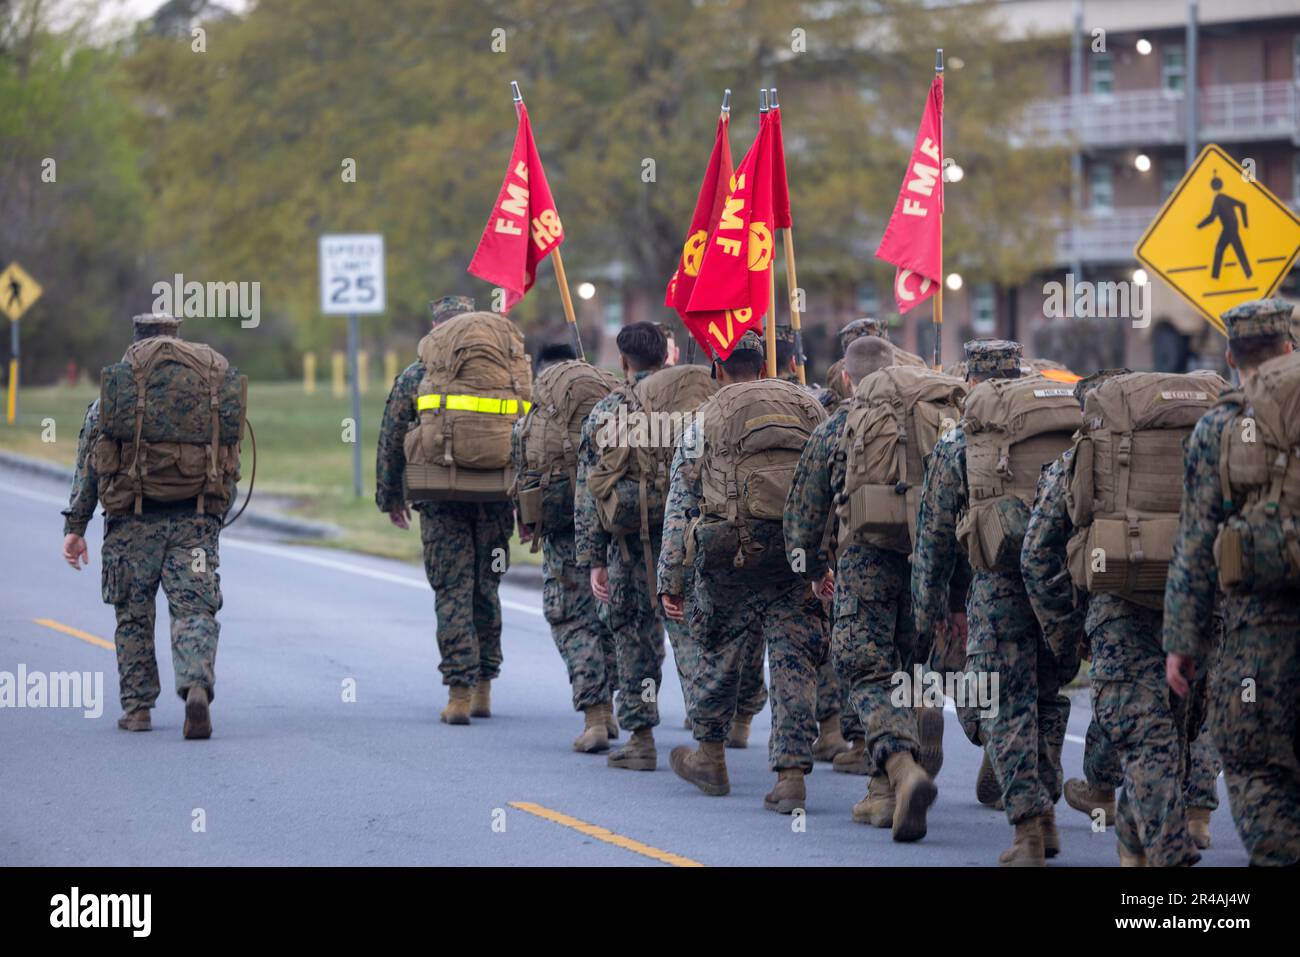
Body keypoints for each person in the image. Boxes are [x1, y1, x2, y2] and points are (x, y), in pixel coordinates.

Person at [1022, 368, 1211, 867]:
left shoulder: (1079, 462)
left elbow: (1037, 557)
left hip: (1119, 611)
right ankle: (1137, 853)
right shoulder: (1210, 449)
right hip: (1198, 611)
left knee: (1144, 739)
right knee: (1168, 734)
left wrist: (1067, 634)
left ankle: (1166, 845)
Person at [912, 339, 1075, 866]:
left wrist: (927, 607)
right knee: (1049, 698)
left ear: (971, 382)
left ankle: (1028, 830)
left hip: (998, 587)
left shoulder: (963, 438)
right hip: (1062, 585)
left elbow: (935, 535)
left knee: (1005, 706)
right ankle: (1047, 813)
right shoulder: (1066, 430)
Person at [659, 331, 828, 813]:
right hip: (796, 556)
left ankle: (710, 758)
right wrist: (823, 561)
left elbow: (681, 501)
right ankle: (791, 775)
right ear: (762, 362)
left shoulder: (705, 418)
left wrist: (671, 578)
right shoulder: (810, 407)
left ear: (717, 368)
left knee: (719, 654)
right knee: (795, 661)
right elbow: (829, 486)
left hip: (730, 552)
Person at [785, 335, 938, 840]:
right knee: (907, 671)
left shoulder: (838, 428)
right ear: (896, 368)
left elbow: (805, 515)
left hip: (865, 564)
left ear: (846, 378)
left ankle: (900, 767)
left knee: (866, 672)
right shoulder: (932, 422)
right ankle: (881, 795)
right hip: (926, 567)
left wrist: (812, 573)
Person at [1164, 297, 1300, 867]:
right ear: (1289, 350)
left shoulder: (1217, 426)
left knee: (1257, 767)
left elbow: (1195, 544)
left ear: (1229, 354)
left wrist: (1181, 644)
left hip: (1257, 637)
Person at [61, 313, 238, 739]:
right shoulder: (208, 385)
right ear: (175, 337)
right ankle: (196, 684)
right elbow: (229, 455)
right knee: (195, 606)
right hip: (195, 523)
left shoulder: (117, 392)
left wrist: (76, 526)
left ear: (136, 338)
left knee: (134, 614)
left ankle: (138, 709)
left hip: (131, 526)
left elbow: (91, 463)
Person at [375, 295, 515, 725]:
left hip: (439, 498)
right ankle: (484, 687)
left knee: (451, 589)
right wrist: (531, 507)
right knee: (486, 585)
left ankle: (458, 691)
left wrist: (391, 496)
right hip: (495, 495)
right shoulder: (505, 373)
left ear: (436, 326)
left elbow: (393, 435)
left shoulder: (418, 374)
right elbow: (530, 435)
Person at [574, 321, 672, 771]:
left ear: (623, 361)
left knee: (635, 636)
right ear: (667, 357)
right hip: (688, 538)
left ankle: (642, 737)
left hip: (628, 542)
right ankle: (714, 737)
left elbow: (589, 490)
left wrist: (593, 559)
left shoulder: (605, 412)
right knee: (693, 636)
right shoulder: (693, 406)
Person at [512, 346, 619, 752]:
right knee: (608, 613)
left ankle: (594, 714)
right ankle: (610, 708)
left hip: (562, 529)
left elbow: (523, 469)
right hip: (611, 522)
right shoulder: (612, 400)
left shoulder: (536, 416)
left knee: (570, 618)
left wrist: (526, 520)